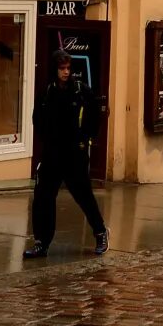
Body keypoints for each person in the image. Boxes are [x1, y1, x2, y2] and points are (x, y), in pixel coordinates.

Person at [24, 54, 108, 258]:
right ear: (55, 69)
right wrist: (46, 140)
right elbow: (38, 118)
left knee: (83, 196)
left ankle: (100, 232)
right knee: (43, 198)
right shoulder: (47, 92)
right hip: (52, 153)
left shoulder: (80, 90)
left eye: (68, 68)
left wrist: (85, 139)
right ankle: (42, 242)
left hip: (74, 154)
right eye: (62, 68)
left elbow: (94, 115)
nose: (66, 72)